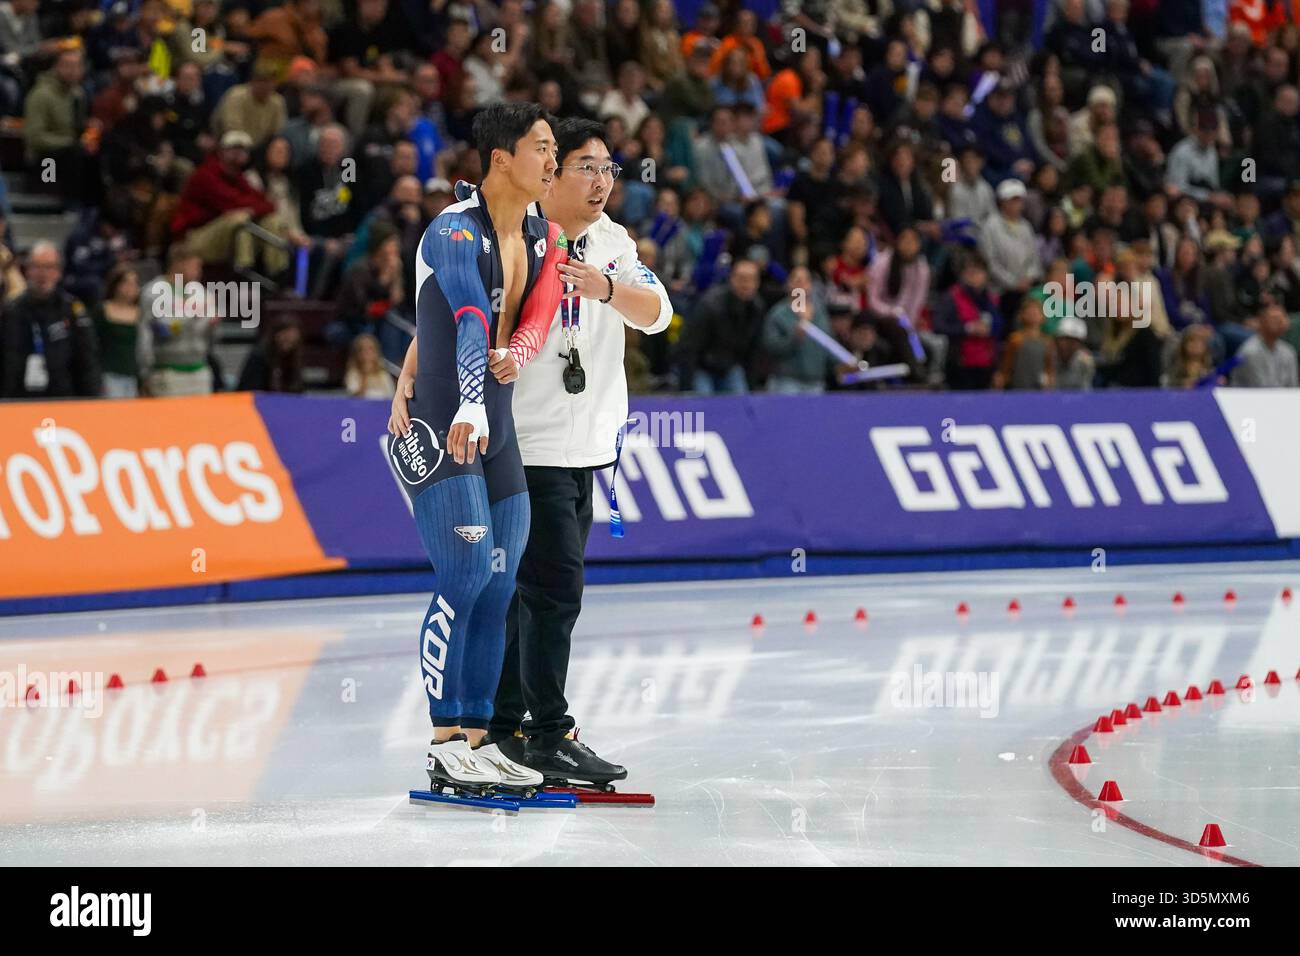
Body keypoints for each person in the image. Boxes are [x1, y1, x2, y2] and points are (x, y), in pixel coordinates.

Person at [385, 103, 566, 795]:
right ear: (501, 158)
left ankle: (479, 738)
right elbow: (465, 316)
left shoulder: (543, 234)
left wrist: (519, 351)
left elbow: (541, 307)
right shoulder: (453, 231)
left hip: (497, 424)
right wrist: (465, 401)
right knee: (462, 578)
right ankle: (440, 743)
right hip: (444, 421)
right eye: (542, 148)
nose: (552, 161)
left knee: (499, 583)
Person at [486, 117, 671, 783]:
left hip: (586, 447)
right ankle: (544, 733)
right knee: (554, 589)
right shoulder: (515, 233)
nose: (601, 182)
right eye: (587, 167)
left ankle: (505, 730)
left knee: (533, 594)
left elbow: (658, 313)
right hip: (527, 444)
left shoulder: (613, 242)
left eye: (609, 170)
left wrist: (605, 288)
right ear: (552, 170)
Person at [1, 241, 102, 398]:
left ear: (59, 272)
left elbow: (87, 361)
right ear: (27, 271)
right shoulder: (10, 311)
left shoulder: (73, 311)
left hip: (62, 400)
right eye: (37, 267)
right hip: (17, 401)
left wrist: (93, 401)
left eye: (49, 267)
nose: (43, 274)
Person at [1231, 302, 1300, 387]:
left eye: (1282, 318)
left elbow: (1293, 388)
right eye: (1274, 319)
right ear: (1261, 321)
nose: (1280, 322)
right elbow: (1261, 389)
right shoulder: (1250, 352)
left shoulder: (1288, 351)